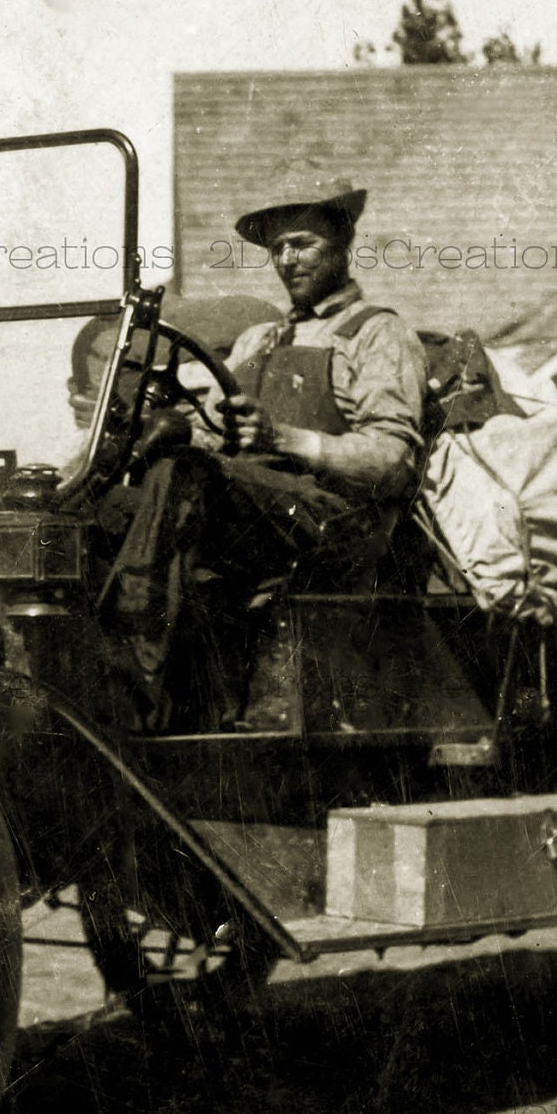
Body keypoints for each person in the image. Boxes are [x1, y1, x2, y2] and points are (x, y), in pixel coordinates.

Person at [98, 168, 428, 727]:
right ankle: (88, 666)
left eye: (303, 244)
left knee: (185, 474)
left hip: (332, 521)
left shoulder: (377, 334)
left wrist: (281, 438)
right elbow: (213, 431)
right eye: (277, 249)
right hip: (253, 509)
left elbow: (392, 462)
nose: (287, 260)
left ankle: (136, 680)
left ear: (343, 242)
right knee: (107, 503)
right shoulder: (260, 338)